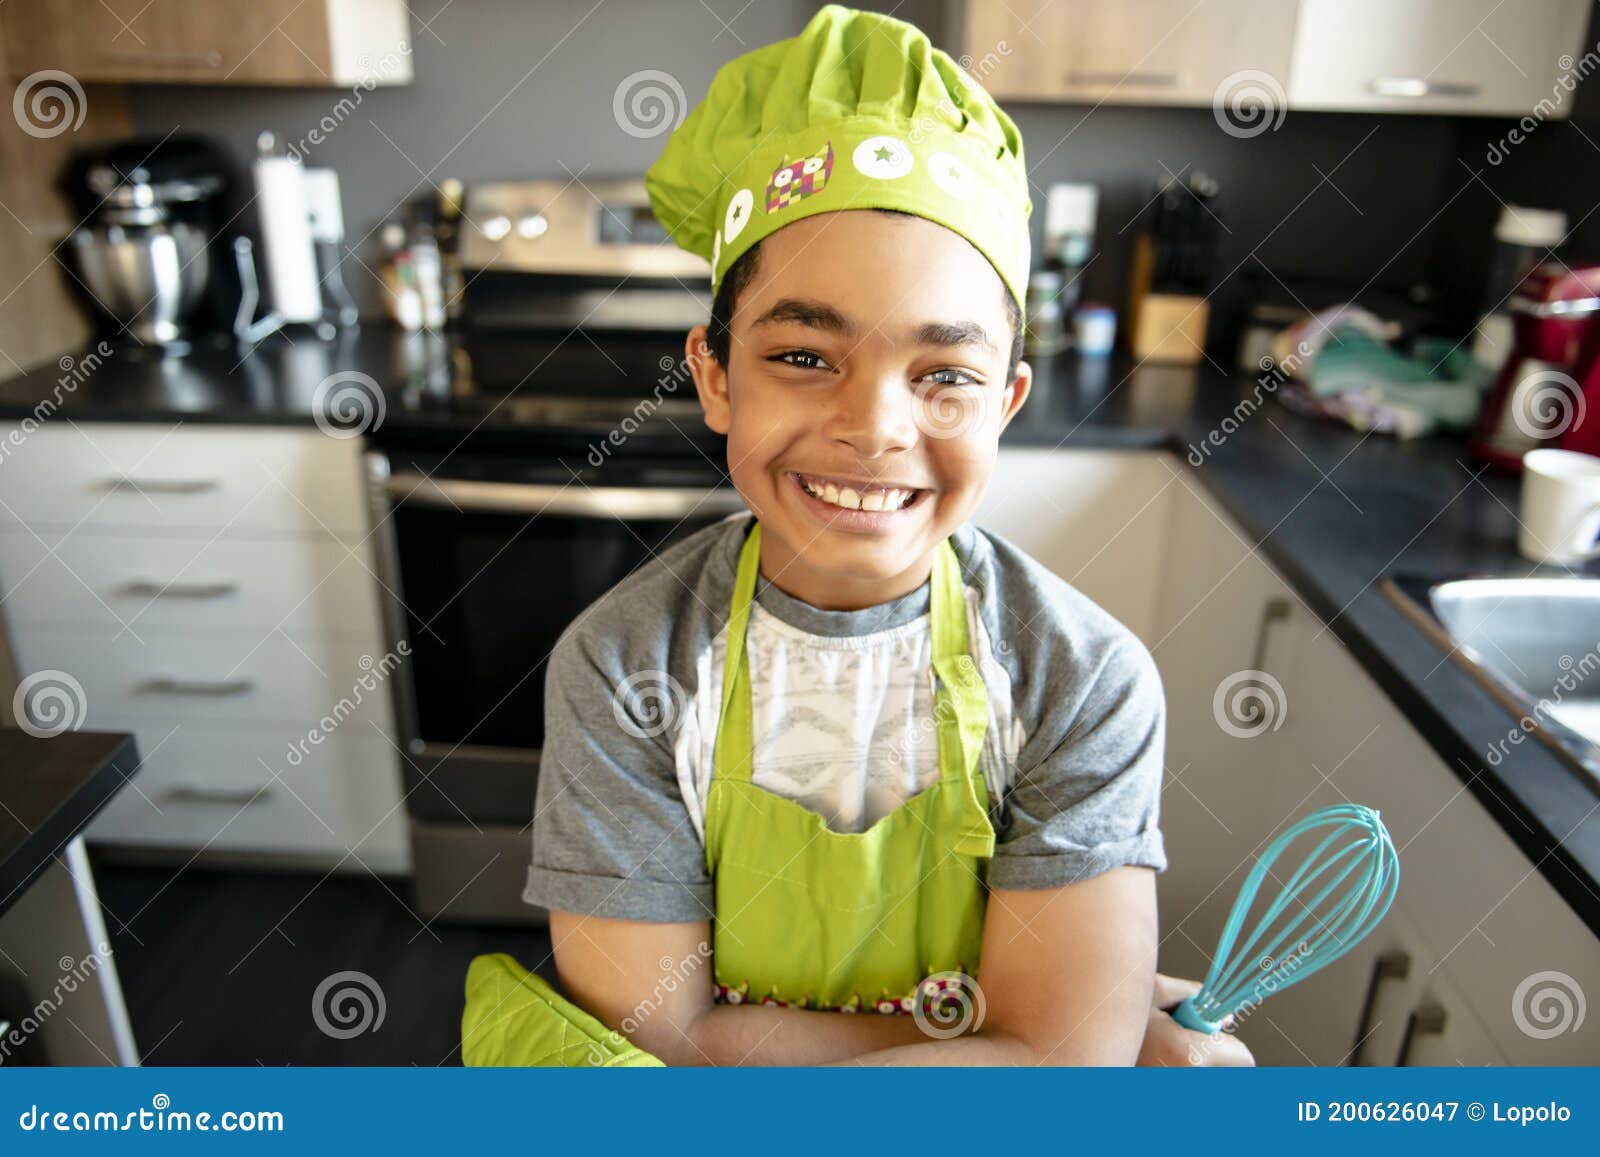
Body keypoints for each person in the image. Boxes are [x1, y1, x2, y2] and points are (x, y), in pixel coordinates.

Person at [521, 4, 1252, 1067]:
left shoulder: (1077, 680)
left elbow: (1055, 1066)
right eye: (804, 357)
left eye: (943, 375)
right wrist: (1034, 1025)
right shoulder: (627, 666)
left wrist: (1062, 1037)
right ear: (715, 374)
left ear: (1003, 403)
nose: (873, 427)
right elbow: (652, 1044)